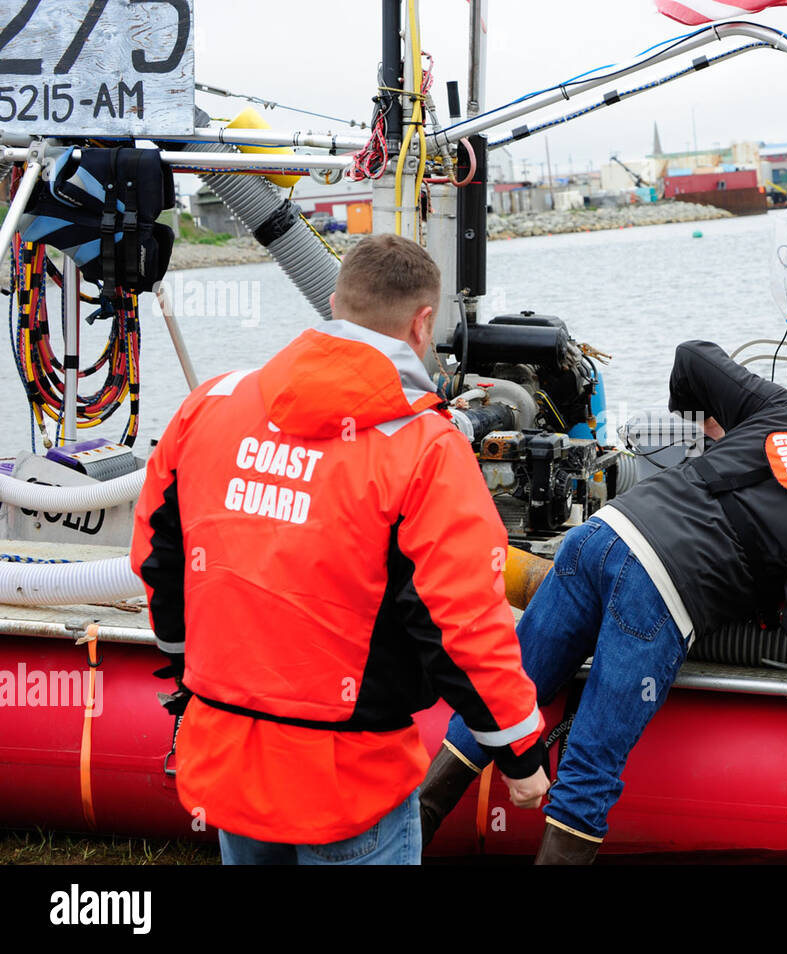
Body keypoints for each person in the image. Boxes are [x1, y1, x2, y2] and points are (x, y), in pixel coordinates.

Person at [419, 340, 787, 864]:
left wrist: (712, 431)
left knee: (506, 696)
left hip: (601, 535)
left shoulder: (784, 414)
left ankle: (411, 832)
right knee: (591, 766)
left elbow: (691, 354)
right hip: (659, 589)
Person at [130, 234, 549, 865]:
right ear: (423, 321)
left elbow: (160, 550)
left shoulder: (213, 403)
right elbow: (459, 619)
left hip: (231, 746)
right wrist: (518, 748)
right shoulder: (426, 448)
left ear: (332, 303)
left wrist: (184, 656)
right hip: (349, 773)